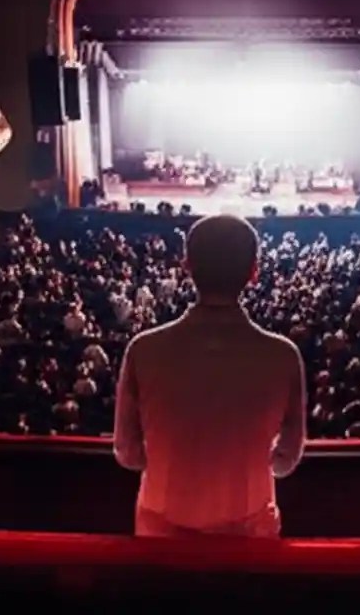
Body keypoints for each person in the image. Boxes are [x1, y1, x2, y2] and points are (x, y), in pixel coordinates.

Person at [114, 214, 306, 538]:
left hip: (161, 532)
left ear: (187, 266)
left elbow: (127, 453)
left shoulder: (143, 349)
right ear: (253, 273)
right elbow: (285, 461)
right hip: (248, 531)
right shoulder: (283, 356)